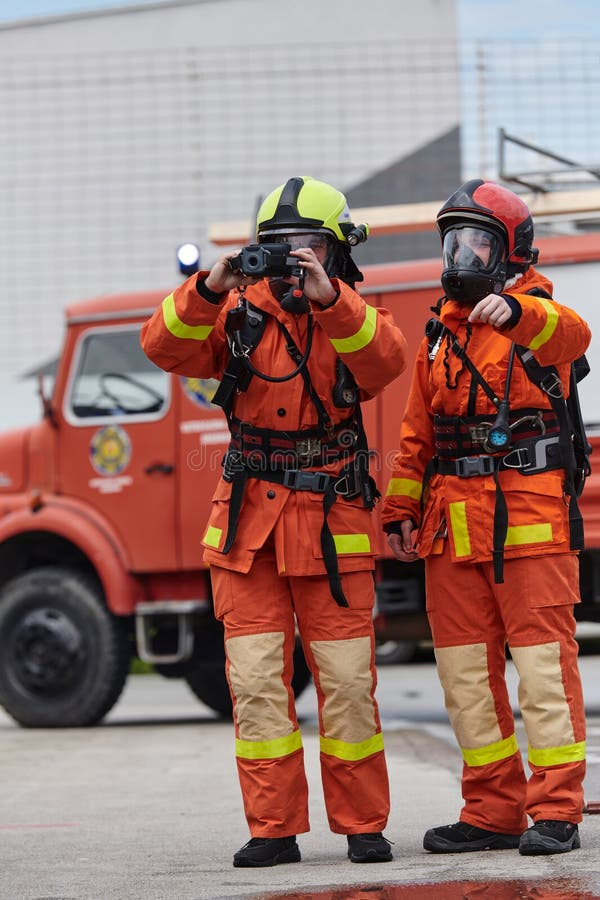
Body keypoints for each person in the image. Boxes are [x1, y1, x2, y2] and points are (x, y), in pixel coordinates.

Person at [141, 176, 407, 867]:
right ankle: (274, 829)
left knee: (348, 683)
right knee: (257, 684)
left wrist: (332, 302)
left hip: (332, 526)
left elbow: (387, 362)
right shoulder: (235, 314)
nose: (293, 260)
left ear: (337, 251)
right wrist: (209, 285)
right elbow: (161, 347)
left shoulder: (349, 315)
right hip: (249, 533)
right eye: (280, 248)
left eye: (308, 247)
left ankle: (362, 825)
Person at [381, 179, 591, 857]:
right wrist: (400, 506)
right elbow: (417, 435)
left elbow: (573, 336)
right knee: (466, 678)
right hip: (453, 530)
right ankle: (492, 809)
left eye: (476, 241)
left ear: (511, 253)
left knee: (541, 673)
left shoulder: (537, 313)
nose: (461, 255)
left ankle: (556, 809)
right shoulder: (437, 335)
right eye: (454, 241)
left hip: (526, 526)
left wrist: (518, 316)